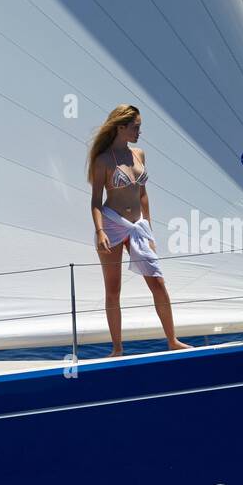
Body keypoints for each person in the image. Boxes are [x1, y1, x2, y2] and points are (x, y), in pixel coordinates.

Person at [87, 104, 190, 355]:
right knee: (113, 289)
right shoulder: (103, 160)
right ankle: (117, 348)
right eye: (135, 127)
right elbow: (95, 201)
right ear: (120, 127)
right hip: (111, 224)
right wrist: (100, 231)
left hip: (138, 227)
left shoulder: (139, 154)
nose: (139, 132)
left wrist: (149, 228)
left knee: (158, 282)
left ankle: (172, 340)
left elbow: (143, 194)